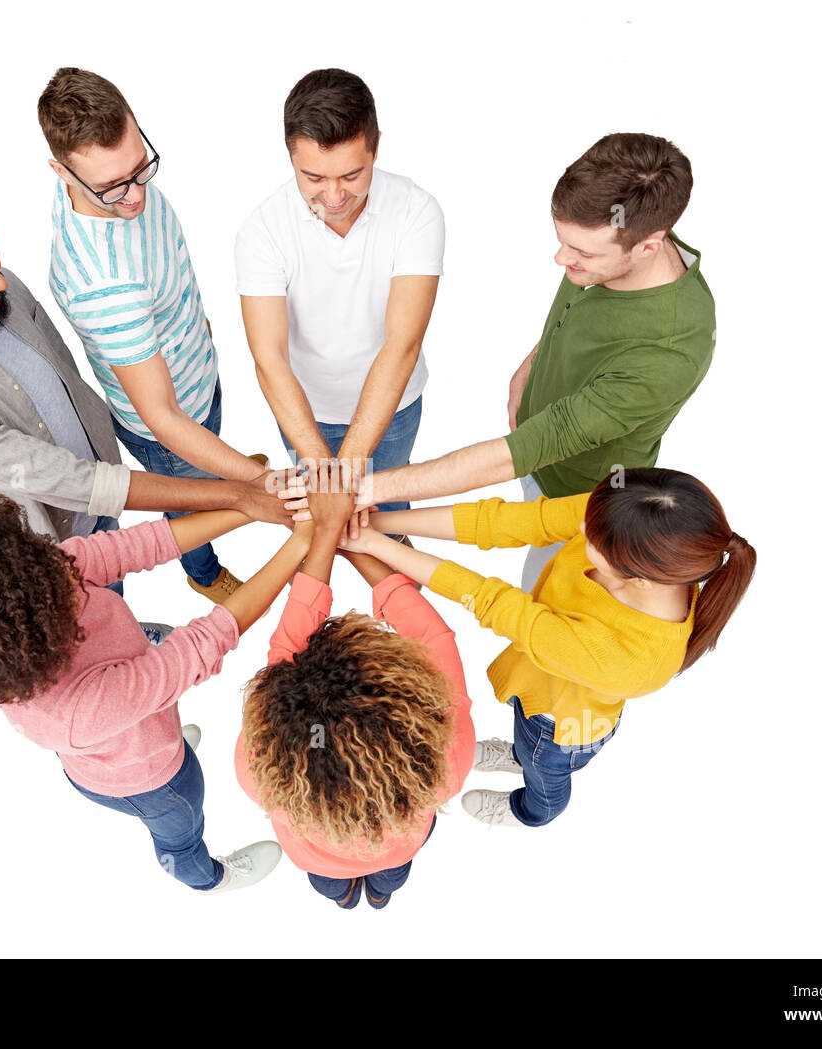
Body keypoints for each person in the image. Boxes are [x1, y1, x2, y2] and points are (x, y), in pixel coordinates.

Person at [332, 133, 715, 590]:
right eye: (562, 241)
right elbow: (588, 316)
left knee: (542, 597)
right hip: (535, 450)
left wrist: (363, 488)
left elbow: (520, 453)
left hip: (581, 493)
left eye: (582, 253)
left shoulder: (667, 352)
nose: (561, 259)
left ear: (650, 245)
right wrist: (532, 366)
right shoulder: (623, 235)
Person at [0, 489, 317, 893]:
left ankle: (157, 739)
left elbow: (138, 545)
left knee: (152, 723)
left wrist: (251, 508)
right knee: (183, 824)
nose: (63, 568)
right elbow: (204, 643)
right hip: (151, 781)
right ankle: (207, 877)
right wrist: (301, 548)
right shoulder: (76, 709)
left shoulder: (35, 577)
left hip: (124, 736)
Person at [0, 177, 287, 566]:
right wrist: (241, 495)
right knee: (98, 617)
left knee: (116, 585)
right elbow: (80, 483)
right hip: (55, 545)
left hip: (108, 492)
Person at [332, 467, 755, 828]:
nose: (581, 526)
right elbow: (508, 522)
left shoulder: (627, 659)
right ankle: (517, 754)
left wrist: (373, 545)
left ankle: (529, 812)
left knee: (545, 774)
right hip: (542, 685)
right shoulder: (625, 519)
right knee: (524, 737)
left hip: (562, 727)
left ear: (639, 579)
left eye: (591, 537)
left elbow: (492, 600)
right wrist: (381, 525)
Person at [40, 67, 270, 605]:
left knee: (214, 471)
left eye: (140, 168)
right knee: (194, 505)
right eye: (112, 188)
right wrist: (253, 486)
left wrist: (199, 329)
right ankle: (204, 572)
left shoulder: (119, 179)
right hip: (171, 425)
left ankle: (224, 473)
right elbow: (163, 416)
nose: (135, 195)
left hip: (196, 373)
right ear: (61, 172)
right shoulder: (104, 284)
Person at [236, 466, 473, 907]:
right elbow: (433, 639)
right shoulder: (447, 755)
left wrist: (329, 535)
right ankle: (380, 896)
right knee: (392, 877)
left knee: (330, 886)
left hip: (315, 858)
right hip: (401, 845)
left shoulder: (259, 761)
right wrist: (349, 541)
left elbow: (284, 650)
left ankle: (343, 898)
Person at [236, 67, 445, 525]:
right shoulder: (262, 230)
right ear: (290, 157)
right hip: (304, 409)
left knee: (388, 513)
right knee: (315, 523)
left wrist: (346, 467)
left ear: (376, 146)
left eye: (352, 174)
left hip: (394, 407)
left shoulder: (417, 212)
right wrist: (319, 461)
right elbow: (268, 357)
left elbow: (402, 343)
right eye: (312, 178)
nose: (333, 196)